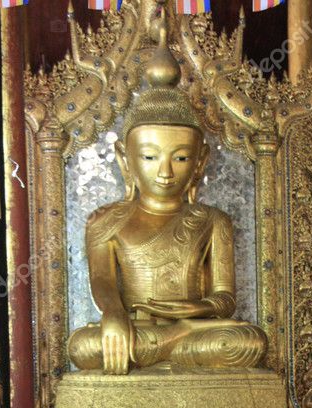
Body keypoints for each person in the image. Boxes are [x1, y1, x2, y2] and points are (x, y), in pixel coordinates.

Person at [67, 9, 267, 375]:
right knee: (83, 346)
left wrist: (195, 311)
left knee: (248, 341)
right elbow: (103, 281)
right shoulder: (106, 221)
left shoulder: (213, 221)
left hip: (192, 331)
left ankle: (167, 349)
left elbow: (225, 298)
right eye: (149, 156)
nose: (164, 171)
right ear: (125, 160)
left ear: (200, 161)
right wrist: (114, 315)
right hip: (136, 331)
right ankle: (159, 349)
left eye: (180, 157)